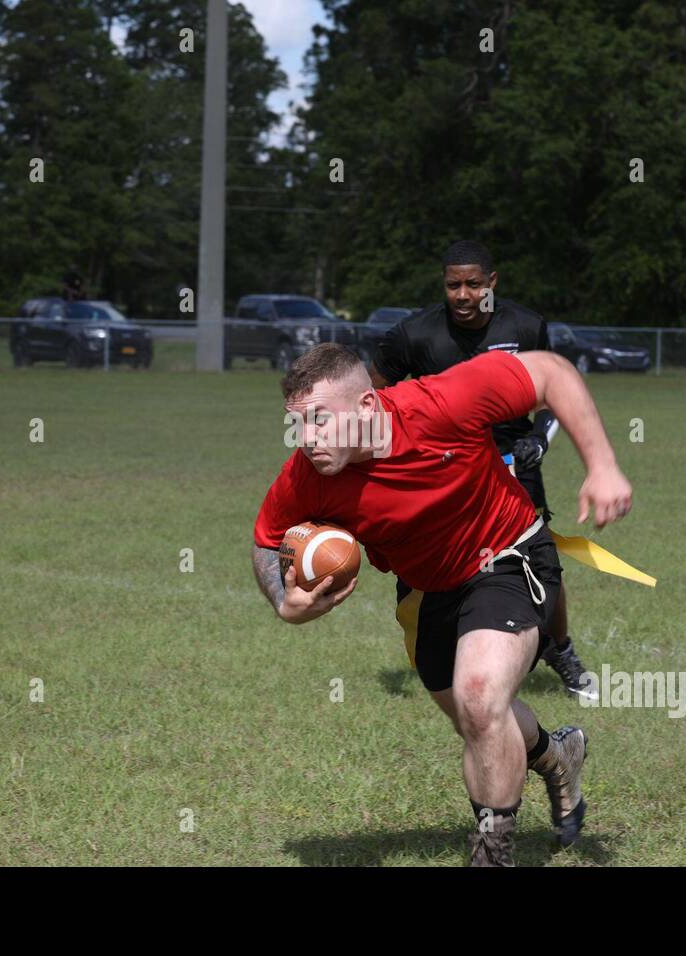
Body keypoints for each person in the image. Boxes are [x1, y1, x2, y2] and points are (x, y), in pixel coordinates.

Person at [251, 343, 632, 865]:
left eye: (320, 421)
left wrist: (603, 464)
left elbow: (551, 372)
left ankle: (492, 853)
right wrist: (282, 598)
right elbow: (267, 538)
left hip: (508, 554)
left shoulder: (441, 404)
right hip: (428, 587)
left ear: (367, 406)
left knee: (480, 698)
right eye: (298, 424)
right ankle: (556, 754)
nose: (308, 439)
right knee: (477, 721)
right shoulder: (308, 473)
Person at [371, 240, 592, 698]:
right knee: (423, 560)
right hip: (442, 470)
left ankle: (560, 649)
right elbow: (371, 398)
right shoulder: (415, 335)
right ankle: (441, 650)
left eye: (473, 283)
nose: (463, 294)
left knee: (540, 557)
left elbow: (555, 396)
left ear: (492, 282)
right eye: (453, 285)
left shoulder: (526, 326)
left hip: (513, 463)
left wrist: (537, 441)